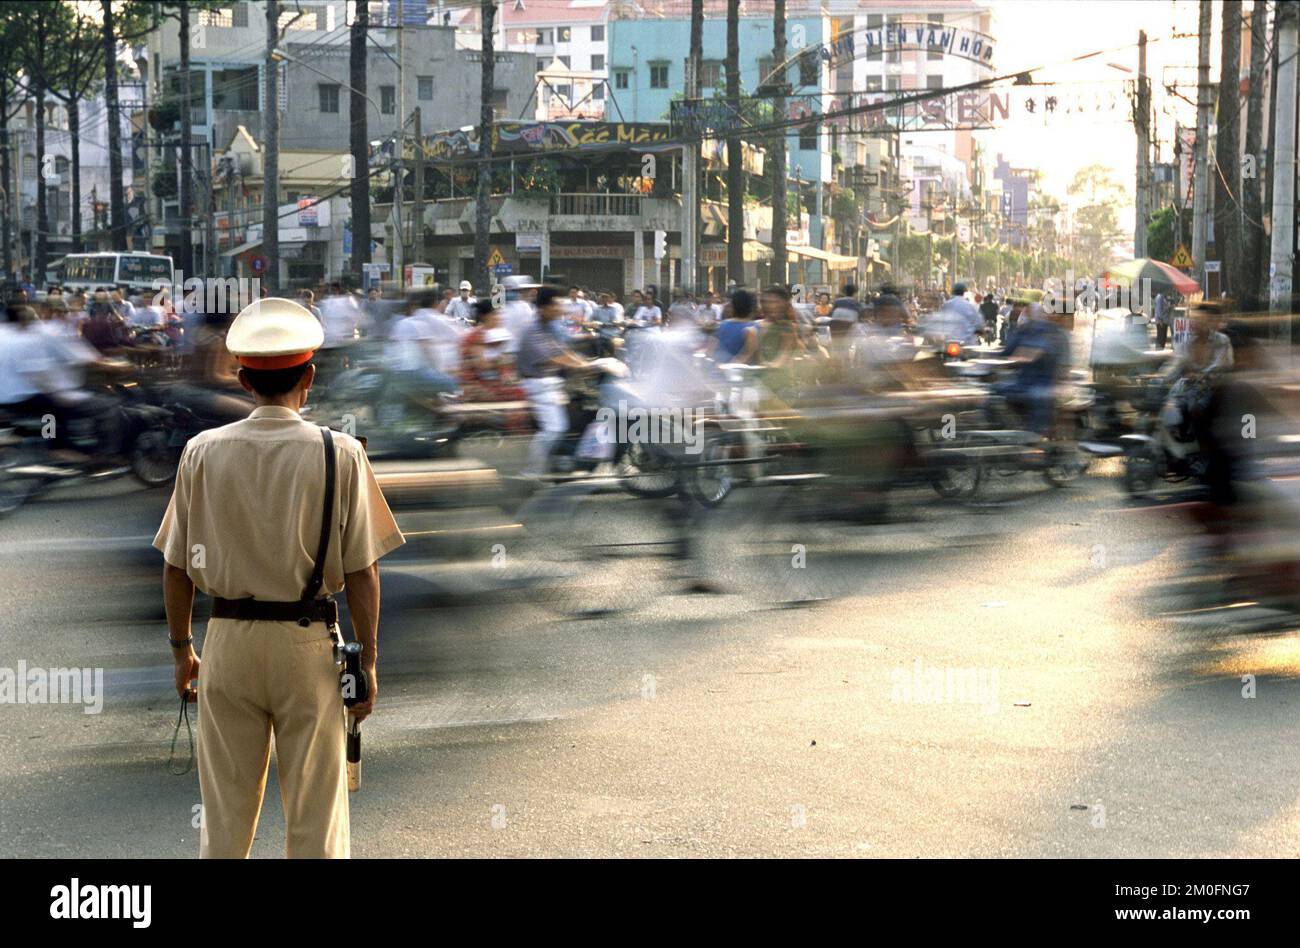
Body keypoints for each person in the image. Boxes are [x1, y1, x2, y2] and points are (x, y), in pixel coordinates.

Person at [153, 297, 405, 859]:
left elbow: (175, 569)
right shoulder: (339, 453)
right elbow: (364, 573)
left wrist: (181, 652)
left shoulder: (200, 452)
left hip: (228, 646)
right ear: (309, 378)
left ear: (242, 380)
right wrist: (366, 665)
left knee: (224, 817)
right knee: (316, 817)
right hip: (307, 648)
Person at [517, 286, 596, 477]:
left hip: (551, 384)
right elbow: (552, 359)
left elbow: (562, 352)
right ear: (544, 307)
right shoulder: (533, 330)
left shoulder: (547, 326)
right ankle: (531, 472)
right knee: (555, 428)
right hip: (538, 386)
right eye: (556, 304)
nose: (561, 308)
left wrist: (588, 363)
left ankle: (568, 458)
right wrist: (582, 367)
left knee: (584, 405)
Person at [998, 302, 1070, 434]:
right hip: (1023, 383)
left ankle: (1034, 437)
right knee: (993, 394)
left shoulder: (1059, 336)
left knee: (1037, 398)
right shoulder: (1025, 330)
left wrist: (1058, 386)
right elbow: (1007, 352)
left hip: (1043, 385)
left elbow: (1062, 367)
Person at [384, 289, 461, 397]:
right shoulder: (428, 322)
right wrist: (443, 371)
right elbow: (430, 352)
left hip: (397, 373)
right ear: (438, 303)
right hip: (415, 373)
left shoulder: (402, 323)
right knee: (454, 382)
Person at [712, 289, 759, 364]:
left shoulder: (722, 325)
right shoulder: (753, 327)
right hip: (736, 371)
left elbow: (712, 349)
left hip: (718, 367)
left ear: (733, 306)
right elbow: (748, 355)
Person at [500, 275, 540, 354]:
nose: (532, 292)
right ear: (521, 291)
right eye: (528, 290)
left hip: (506, 352)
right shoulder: (525, 307)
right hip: (520, 352)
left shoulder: (503, 309)